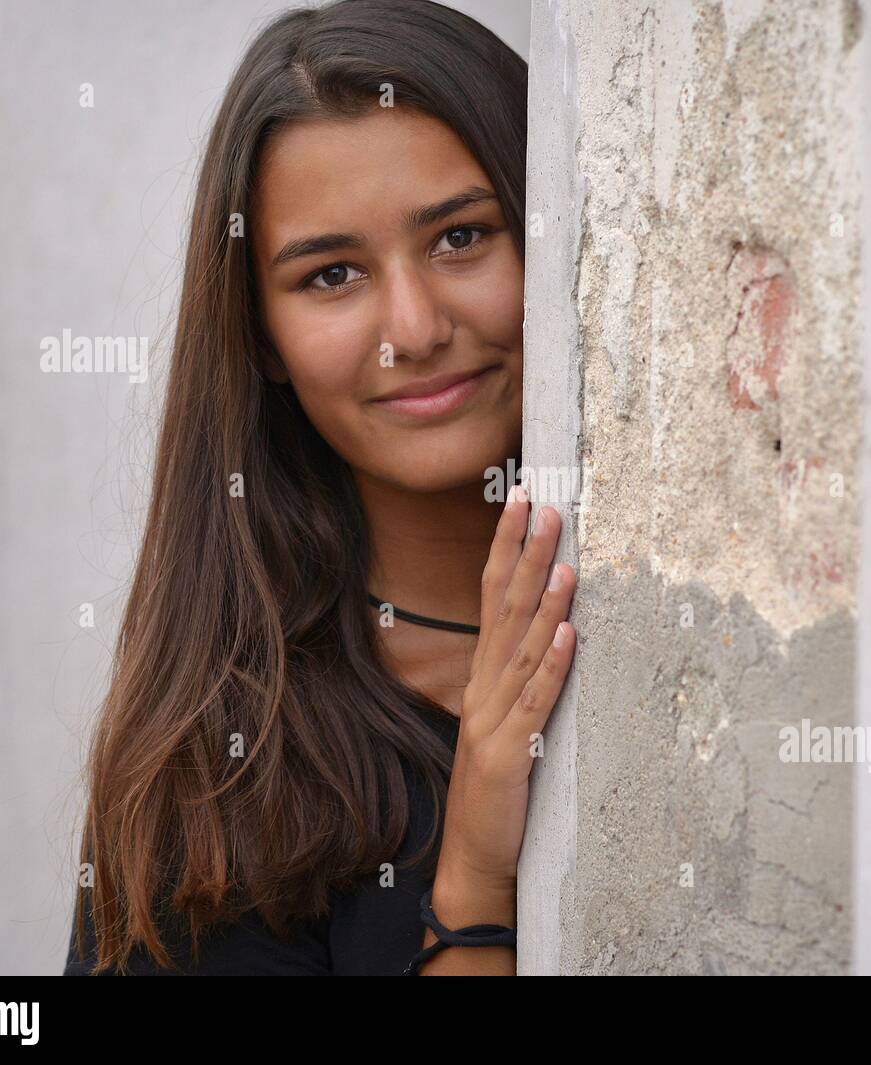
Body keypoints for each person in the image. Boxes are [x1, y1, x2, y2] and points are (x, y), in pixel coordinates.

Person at [64, 0, 576, 976]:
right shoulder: (226, 773)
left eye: (461, 237)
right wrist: (471, 881)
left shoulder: (673, 631)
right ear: (261, 336)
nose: (414, 328)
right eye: (333, 274)